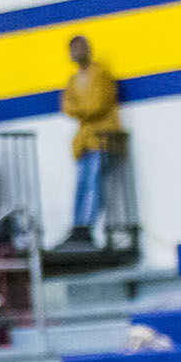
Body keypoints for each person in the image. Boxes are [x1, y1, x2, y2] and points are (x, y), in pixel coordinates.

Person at [61, 35, 123, 247]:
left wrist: (81, 109)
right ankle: (78, 226)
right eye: (73, 49)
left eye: (80, 47)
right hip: (85, 142)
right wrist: (83, 109)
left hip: (102, 139)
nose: (77, 52)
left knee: (94, 184)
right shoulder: (72, 80)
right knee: (81, 184)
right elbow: (67, 107)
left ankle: (88, 227)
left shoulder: (100, 74)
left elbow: (97, 104)